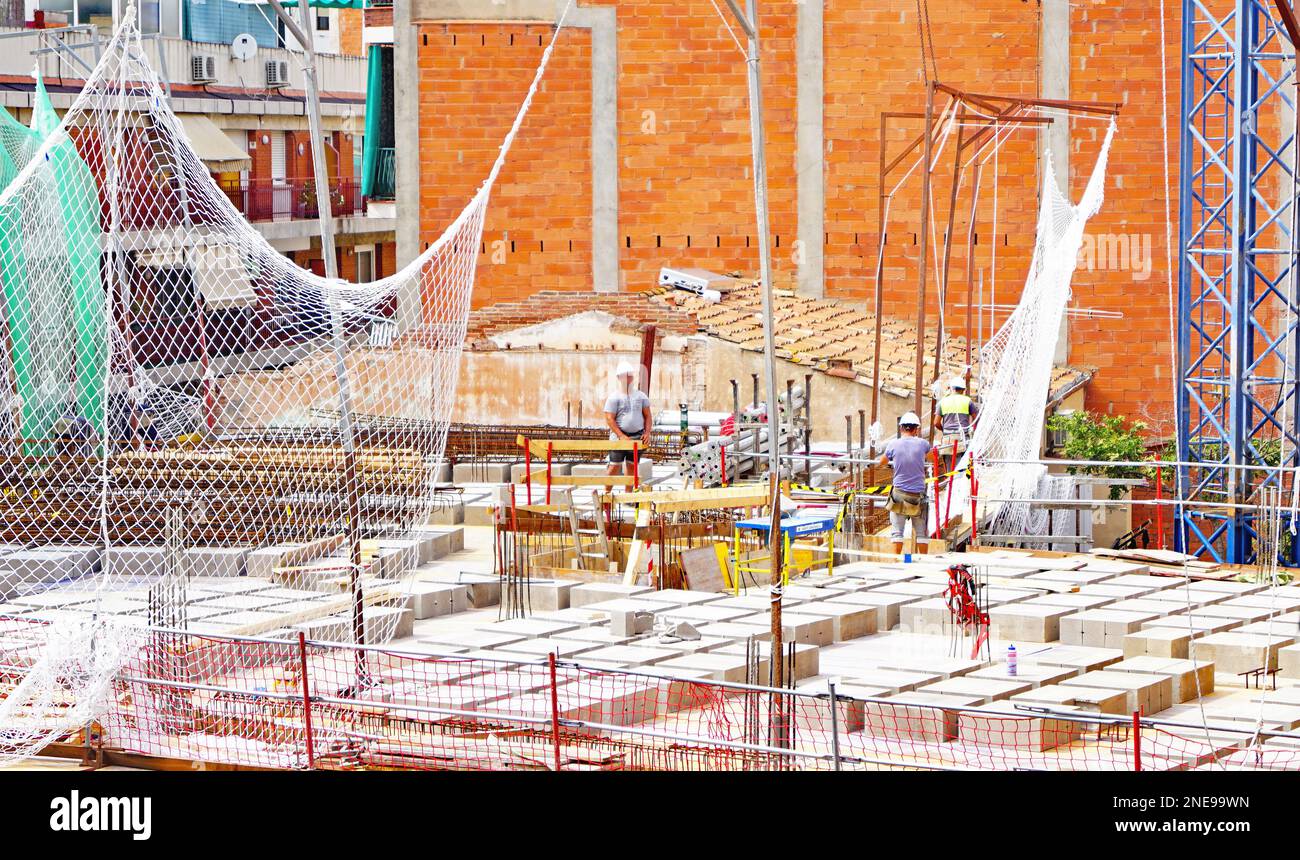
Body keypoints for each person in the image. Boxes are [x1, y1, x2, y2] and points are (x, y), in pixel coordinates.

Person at [877, 411, 932, 556]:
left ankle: (896, 562)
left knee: (897, 533)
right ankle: (924, 563)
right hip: (917, 496)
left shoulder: (893, 444)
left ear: (901, 428)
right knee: (921, 533)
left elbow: (881, 463)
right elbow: (932, 457)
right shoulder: (923, 444)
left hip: (899, 495)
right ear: (916, 429)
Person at [604, 360, 651, 486]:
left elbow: (648, 416)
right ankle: (606, 495)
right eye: (625, 375)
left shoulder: (641, 396)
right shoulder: (614, 397)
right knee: (614, 467)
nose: (628, 378)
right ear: (619, 377)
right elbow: (609, 419)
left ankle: (628, 497)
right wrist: (621, 435)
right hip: (618, 437)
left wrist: (647, 433)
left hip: (637, 435)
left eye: (630, 375)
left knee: (632, 467)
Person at [934, 376, 977, 450]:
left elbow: (936, 423)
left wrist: (944, 430)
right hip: (963, 438)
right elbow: (976, 419)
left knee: (949, 461)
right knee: (963, 460)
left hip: (948, 439)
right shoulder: (968, 401)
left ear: (951, 388)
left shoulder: (943, 402)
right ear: (963, 390)